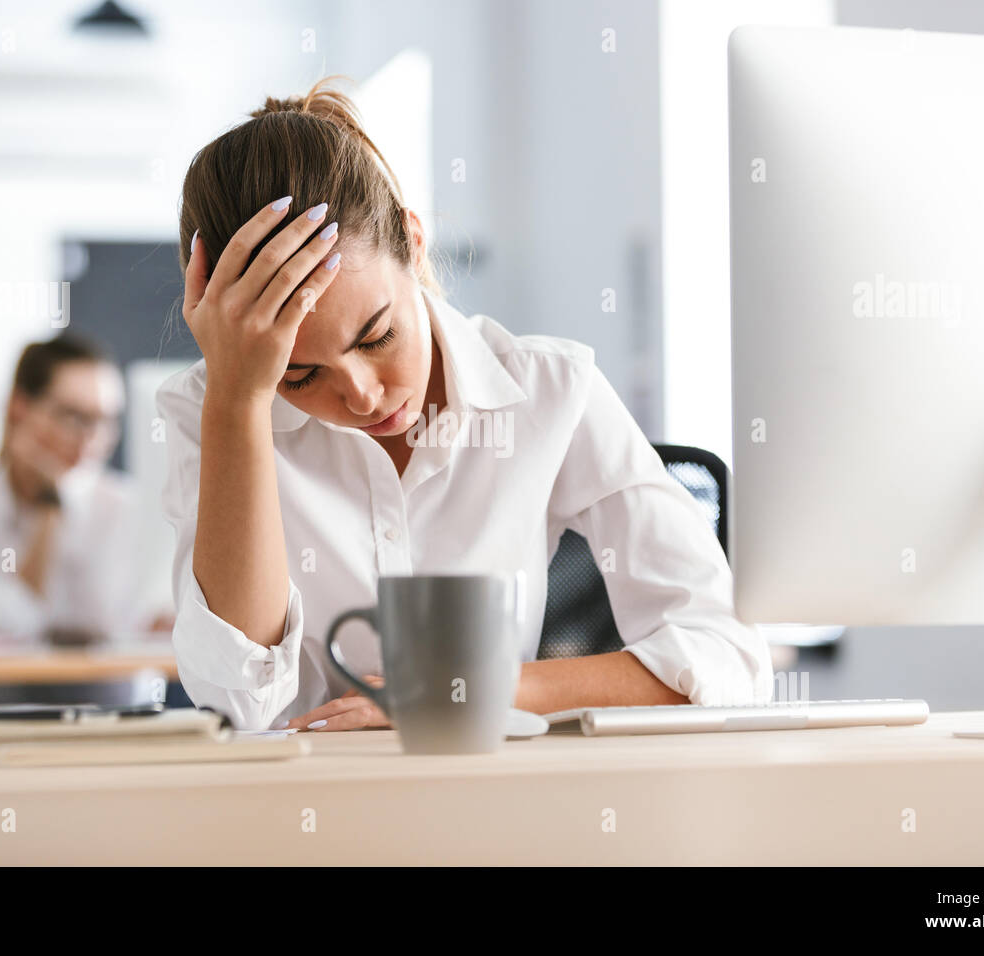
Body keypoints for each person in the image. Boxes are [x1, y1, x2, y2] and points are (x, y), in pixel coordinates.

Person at [157, 76, 773, 733]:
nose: (362, 393)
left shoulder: (549, 390)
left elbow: (729, 660)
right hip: (298, 811)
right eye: (301, 376)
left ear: (413, 240)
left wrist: (466, 686)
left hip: (493, 795)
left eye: (377, 336)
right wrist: (240, 399)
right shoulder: (215, 407)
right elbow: (236, 703)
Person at [0, 333, 171, 648]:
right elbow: (7, 622)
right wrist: (51, 508)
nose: (92, 438)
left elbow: (118, 625)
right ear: (20, 408)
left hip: (111, 696)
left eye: (106, 420)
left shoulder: (126, 506)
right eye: (73, 416)